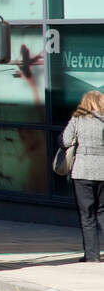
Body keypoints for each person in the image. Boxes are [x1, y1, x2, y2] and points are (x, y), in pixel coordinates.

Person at [62, 89, 104, 262]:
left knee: (87, 214)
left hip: (82, 170)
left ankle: (92, 255)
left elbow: (65, 140)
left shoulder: (77, 118)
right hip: (102, 170)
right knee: (102, 211)